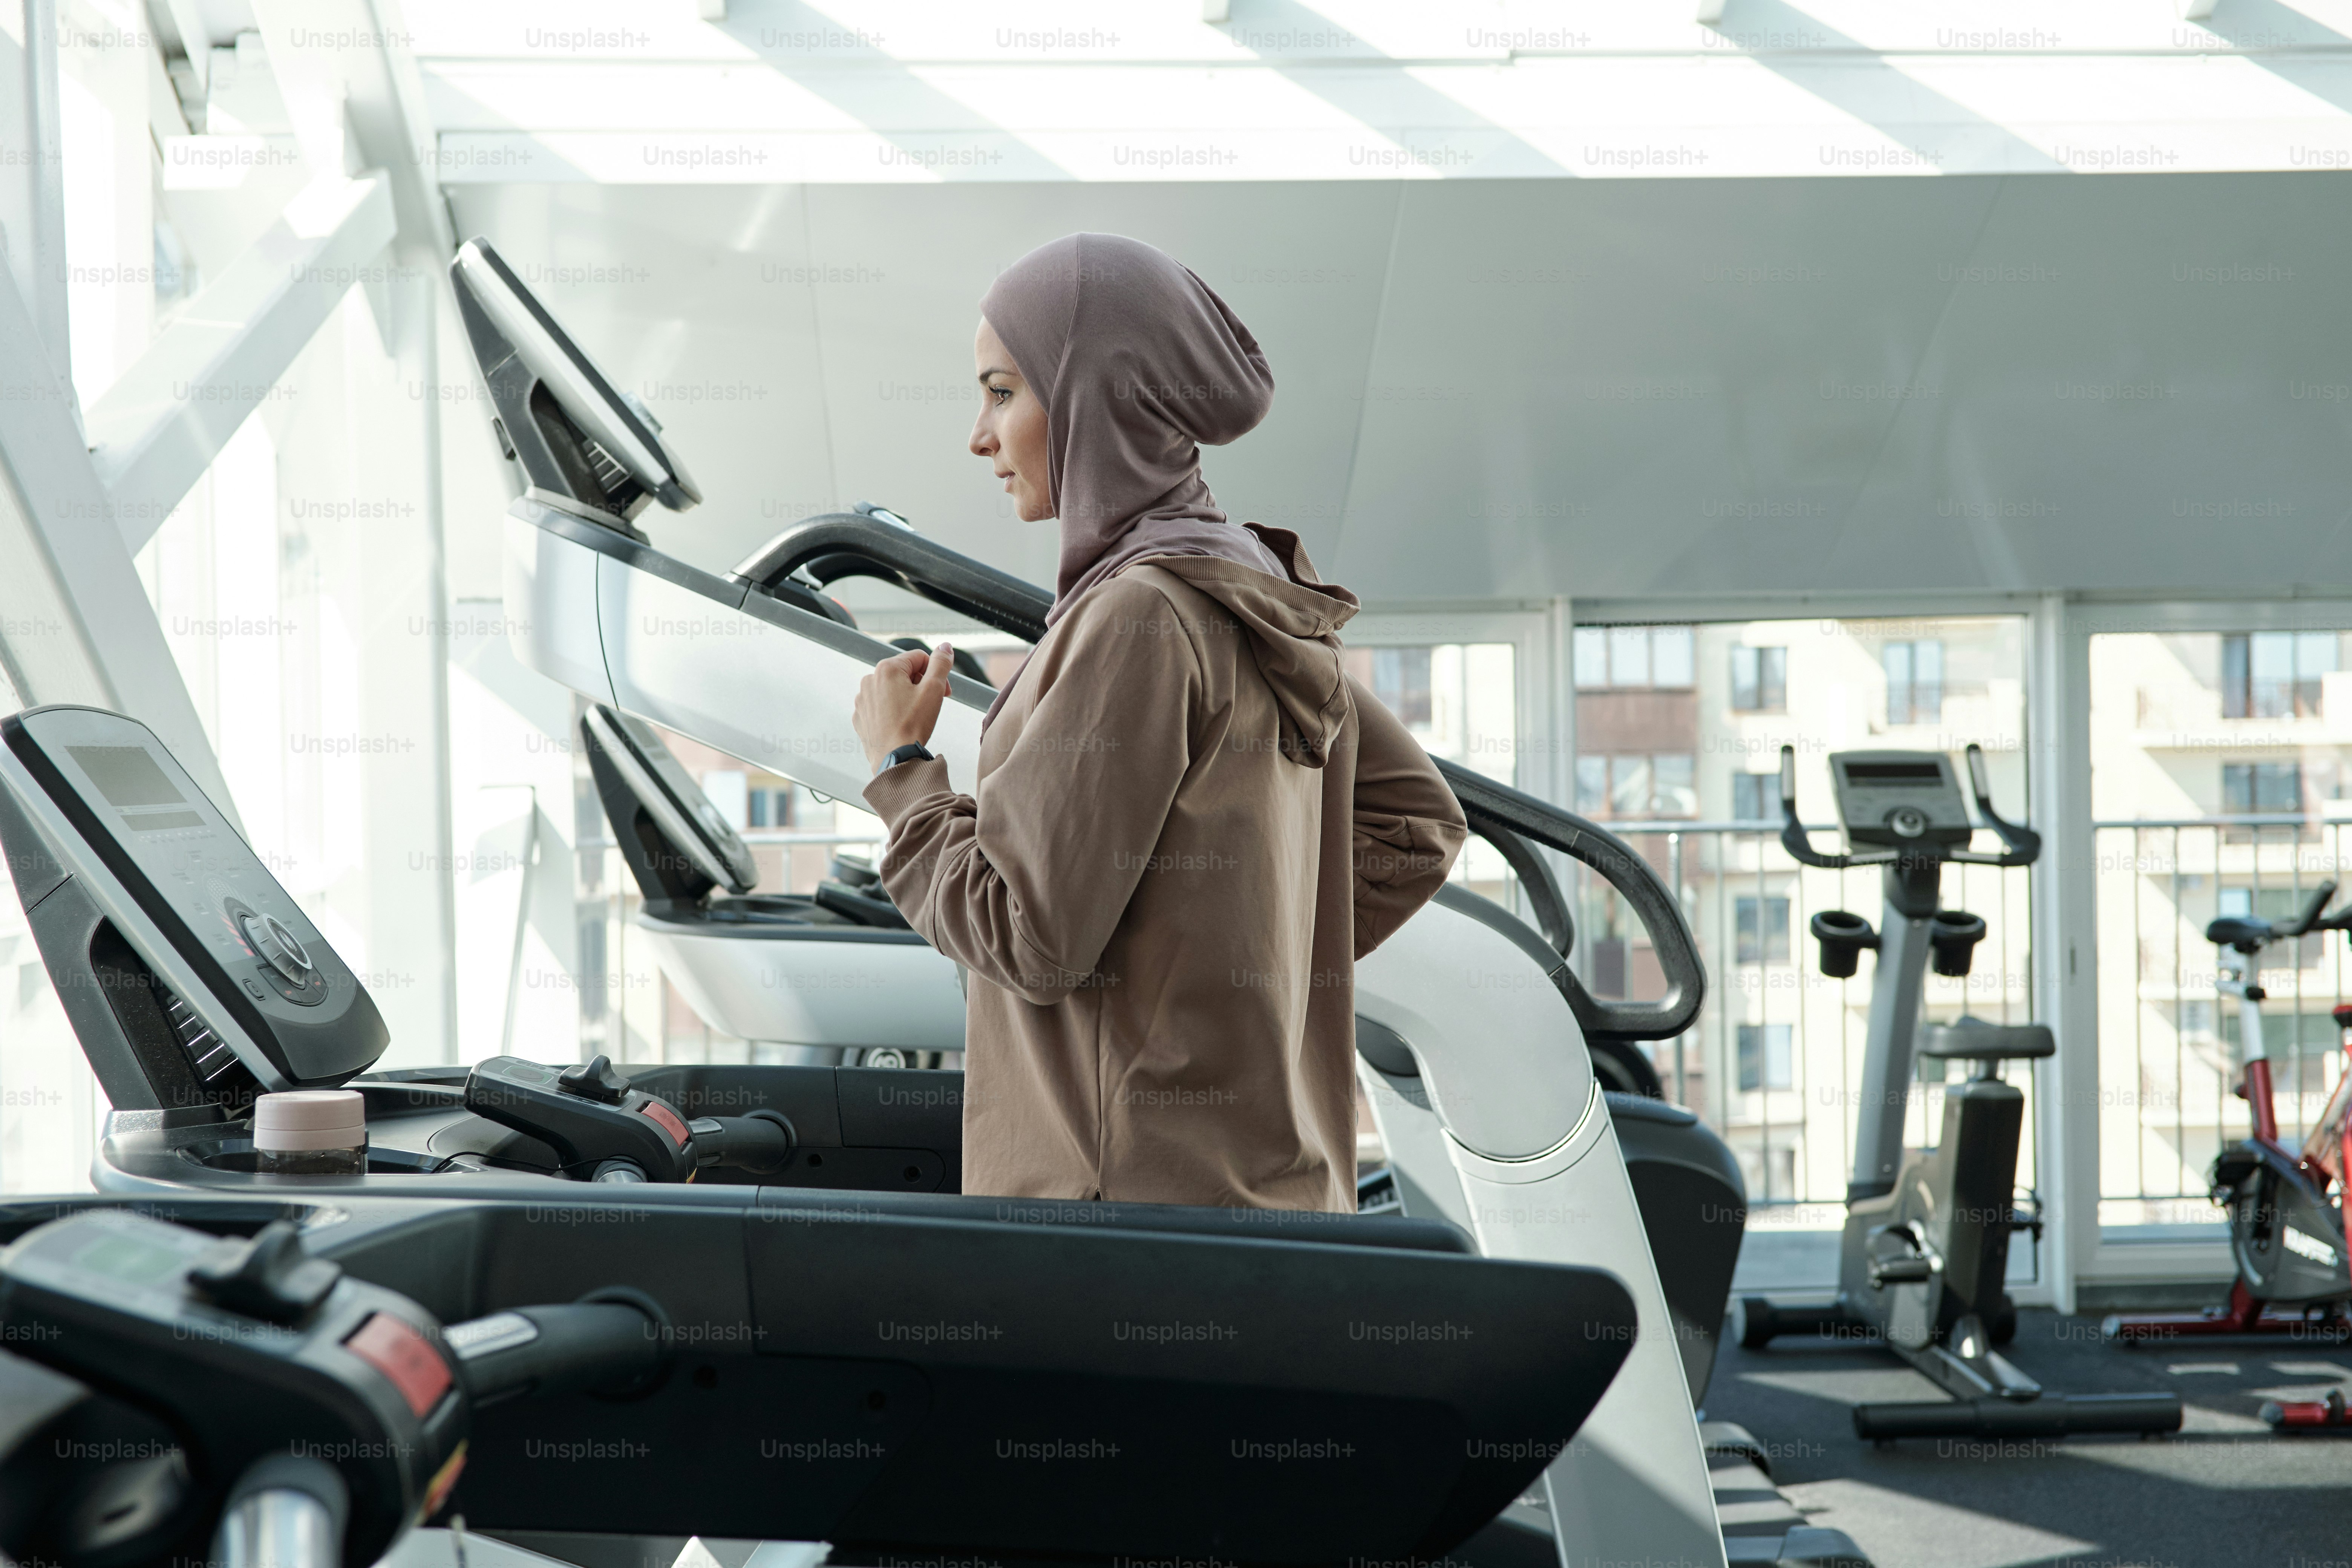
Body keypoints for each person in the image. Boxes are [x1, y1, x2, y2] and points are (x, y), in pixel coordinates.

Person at [850, 232, 1465, 1211]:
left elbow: (1031, 941)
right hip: (1274, 1191)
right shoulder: (1248, 584)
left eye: (1003, 391)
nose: (979, 435)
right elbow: (1416, 827)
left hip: (1120, 1218)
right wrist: (1226, 982)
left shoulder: (1137, 617)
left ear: (1095, 393)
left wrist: (905, 770)